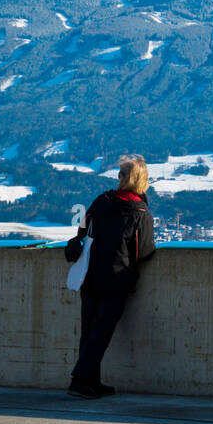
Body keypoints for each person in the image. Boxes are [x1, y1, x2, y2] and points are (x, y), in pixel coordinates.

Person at [65, 154, 156, 399]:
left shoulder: (102, 201)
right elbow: (144, 251)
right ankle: (79, 380)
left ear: (122, 178)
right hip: (117, 278)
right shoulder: (140, 212)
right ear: (142, 181)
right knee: (102, 331)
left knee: (89, 329)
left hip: (91, 275)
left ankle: (91, 382)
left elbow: (82, 229)